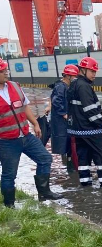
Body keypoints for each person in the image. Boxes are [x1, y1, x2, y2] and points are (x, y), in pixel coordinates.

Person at [0, 59, 60, 206]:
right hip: (7, 141)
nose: (6, 73)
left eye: (6, 70)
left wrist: (35, 124)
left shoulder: (14, 86)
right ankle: (9, 205)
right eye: (2, 71)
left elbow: (25, 107)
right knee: (9, 175)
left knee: (45, 158)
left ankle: (44, 194)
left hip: (26, 136)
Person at [67, 56, 102, 187]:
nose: (94, 75)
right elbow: (90, 110)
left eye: (95, 72)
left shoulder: (74, 84)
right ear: (82, 70)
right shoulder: (84, 86)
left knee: (83, 159)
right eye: (92, 71)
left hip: (78, 130)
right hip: (90, 130)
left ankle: (85, 186)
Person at [45, 64, 79, 166]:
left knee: (69, 142)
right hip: (61, 121)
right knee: (65, 142)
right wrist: (64, 114)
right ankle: (70, 165)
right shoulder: (60, 87)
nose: (75, 78)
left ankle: (70, 162)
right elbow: (56, 101)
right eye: (74, 76)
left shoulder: (66, 86)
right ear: (68, 76)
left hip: (66, 120)